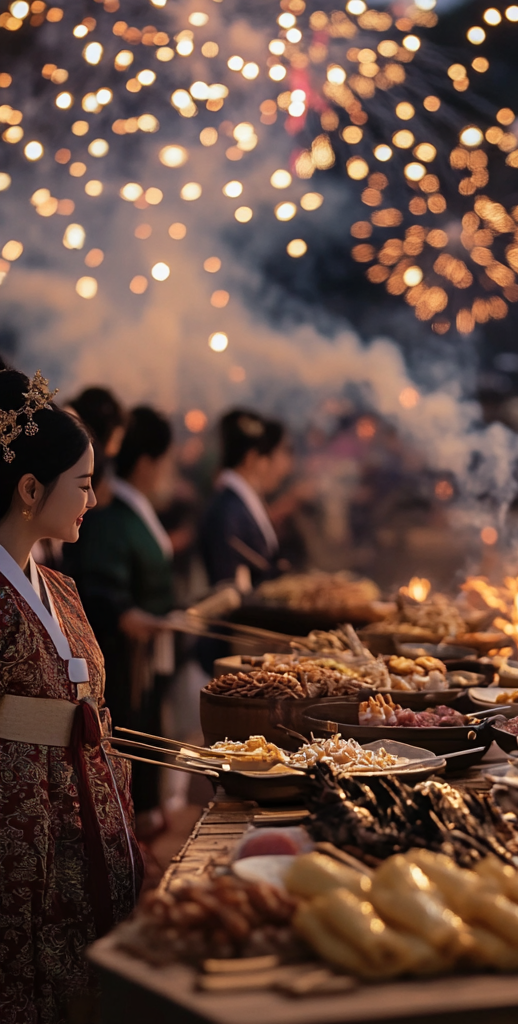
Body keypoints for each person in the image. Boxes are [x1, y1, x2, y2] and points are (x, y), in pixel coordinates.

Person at [0, 370, 140, 1024]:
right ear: (30, 490)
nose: (92, 500)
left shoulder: (56, 584)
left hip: (79, 807)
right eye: (81, 486)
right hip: (18, 830)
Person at [63, 407, 176, 837]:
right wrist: (126, 613)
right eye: (83, 486)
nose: (93, 500)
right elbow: (102, 578)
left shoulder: (128, 508)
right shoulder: (111, 517)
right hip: (120, 655)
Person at [200, 409, 291, 590]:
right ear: (251, 459)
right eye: (265, 457)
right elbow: (230, 583)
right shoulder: (227, 511)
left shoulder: (237, 503)